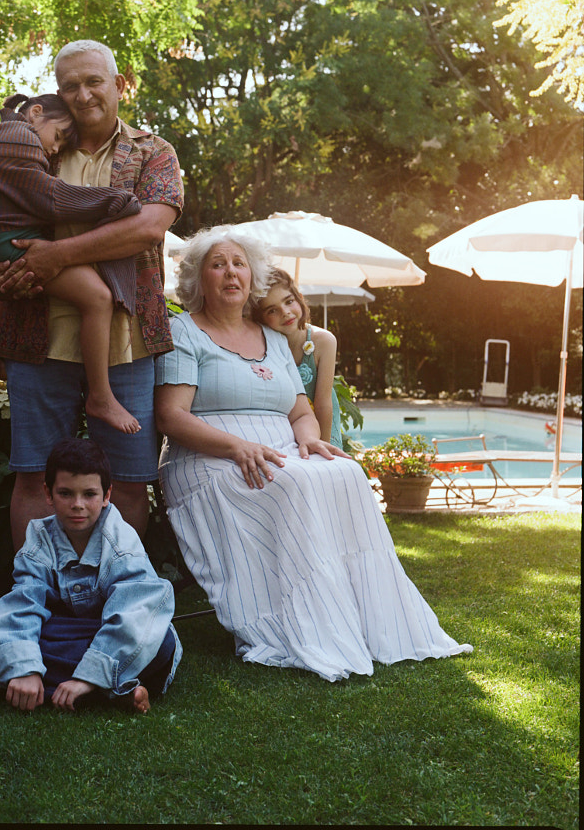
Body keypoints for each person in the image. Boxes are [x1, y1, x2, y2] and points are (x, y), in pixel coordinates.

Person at [154, 226, 472, 681]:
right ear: (198, 279)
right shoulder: (185, 332)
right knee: (295, 483)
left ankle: (365, 619)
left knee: (346, 473)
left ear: (252, 275)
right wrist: (238, 445)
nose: (231, 273)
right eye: (218, 264)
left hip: (280, 450)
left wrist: (309, 438)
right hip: (209, 458)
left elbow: (300, 411)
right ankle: (306, 622)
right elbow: (171, 416)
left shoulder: (270, 336)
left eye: (239, 263)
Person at [0, 40, 184, 548]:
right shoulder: (38, 148)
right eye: (70, 86)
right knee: (35, 476)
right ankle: (36, 587)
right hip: (36, 336)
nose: (83, 95)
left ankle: (116, 584)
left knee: (129, 480)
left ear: (119, 85)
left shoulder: (153, 152)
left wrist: (56, 255)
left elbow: (147, 228)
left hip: (126, 340)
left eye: (94, 82)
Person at [0, 91, 143, 435]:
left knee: (23, 287)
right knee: (98, 298)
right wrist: (116, 200)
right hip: (7, 242)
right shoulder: (21, 140)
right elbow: (53, 198)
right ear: (36, 113)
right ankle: (101, 397)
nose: (55, 149)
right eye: (57, 137)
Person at [0, 438, 182, 713]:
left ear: (107, 495)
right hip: (64, 634)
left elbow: (135, 614)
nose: (77, 505)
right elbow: (25, 602)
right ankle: (110, 692)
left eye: (89, 494)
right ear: (48, 494)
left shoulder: (121, 543)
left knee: (161, 641)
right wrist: (24, 667)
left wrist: (89, 674)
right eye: (65, 493)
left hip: (109, 633)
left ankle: (62, 686)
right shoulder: (39, 539)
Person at [253, 268, 342, 448]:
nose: (285, 312)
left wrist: (323, 448)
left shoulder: (323, 341)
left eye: (289, 301)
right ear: (261, 318)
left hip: (321, 429)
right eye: (272, 310)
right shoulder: (261, 346)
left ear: (300, 298)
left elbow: (323, 404)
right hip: (283, 433)